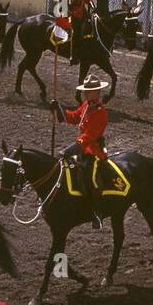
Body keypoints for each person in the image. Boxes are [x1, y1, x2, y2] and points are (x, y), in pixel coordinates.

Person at [52, 77, 112, 228]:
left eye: (89, 91)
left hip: (93, 150)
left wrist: (70, 149)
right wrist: (59, 108)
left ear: (97, 92)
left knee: (90, 176)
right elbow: (73, 117)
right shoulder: (86, 105)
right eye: (85, 91)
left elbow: (89, 136)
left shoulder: (101, 112)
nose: (85, 94)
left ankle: (98, 212)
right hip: (81, 148)